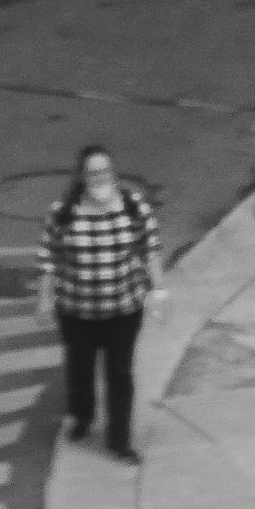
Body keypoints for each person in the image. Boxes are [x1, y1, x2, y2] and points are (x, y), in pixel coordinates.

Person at [35, 145, 168, 464]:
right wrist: (44, 298)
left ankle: (119, 441)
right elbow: (49, 259)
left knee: (119, 373)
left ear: (114, 173)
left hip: (123, 310)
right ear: (81, 177)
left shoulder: (134, 207)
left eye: (105, 171)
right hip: (77, 311)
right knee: (80, 368)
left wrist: (160, 290)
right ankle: (82, 416)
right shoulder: (62, 212)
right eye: (93, 172)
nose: (100, 178)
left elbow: (150, 249)